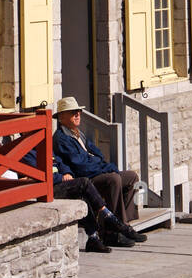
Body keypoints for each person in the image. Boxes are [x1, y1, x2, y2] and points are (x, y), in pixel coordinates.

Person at [0, 104, 120, 253]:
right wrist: (60, 177)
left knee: (81, 190)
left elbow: (58, 161)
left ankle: (94, 236)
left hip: (51, 181)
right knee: (83, 183)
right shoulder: (18, 146)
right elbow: (35, 170)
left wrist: (66, 173)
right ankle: (109, 218)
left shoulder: (38, 142)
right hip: (40, 186)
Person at [52, 97, 147, 244]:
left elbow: (98, 155)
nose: (78, 115)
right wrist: (105, 167)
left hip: (96, 171)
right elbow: (82, 167)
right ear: (61, 117)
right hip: (85, 179)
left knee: (132, 177)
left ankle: (124, 224)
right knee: (113, 179)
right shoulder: (61, 138)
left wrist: (102, 165)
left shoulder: (78, 133)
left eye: (78, 111)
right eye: (73, 112)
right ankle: (111, 232)